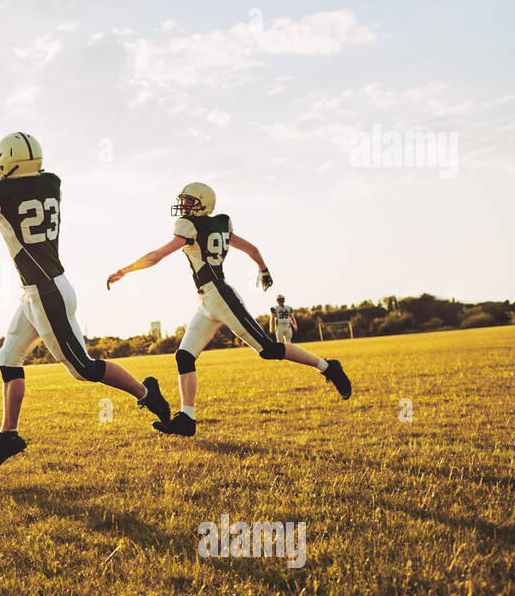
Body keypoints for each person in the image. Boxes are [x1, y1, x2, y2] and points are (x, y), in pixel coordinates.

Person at [0, 128, 170, 469]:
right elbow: (18, 187)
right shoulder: (51, 182)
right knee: (8, 357)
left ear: (8, 163)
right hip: (43, 290)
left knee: (83, 369)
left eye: (0, 161)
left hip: (46, 294)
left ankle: (147, 394)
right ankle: (9, 435)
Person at [106, 182, 351, 437]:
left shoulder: (190, 226)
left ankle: (328, 366)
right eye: (184, 201)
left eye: (189, 202)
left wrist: (125, 270)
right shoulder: (221, 223)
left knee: (268, 349)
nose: (184, 206)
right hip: (206, 300)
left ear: (203, 203)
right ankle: (186, 419)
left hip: (220, 296)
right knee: (184, 356)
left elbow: (156, 256)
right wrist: (263, 269)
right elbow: (252, 249)